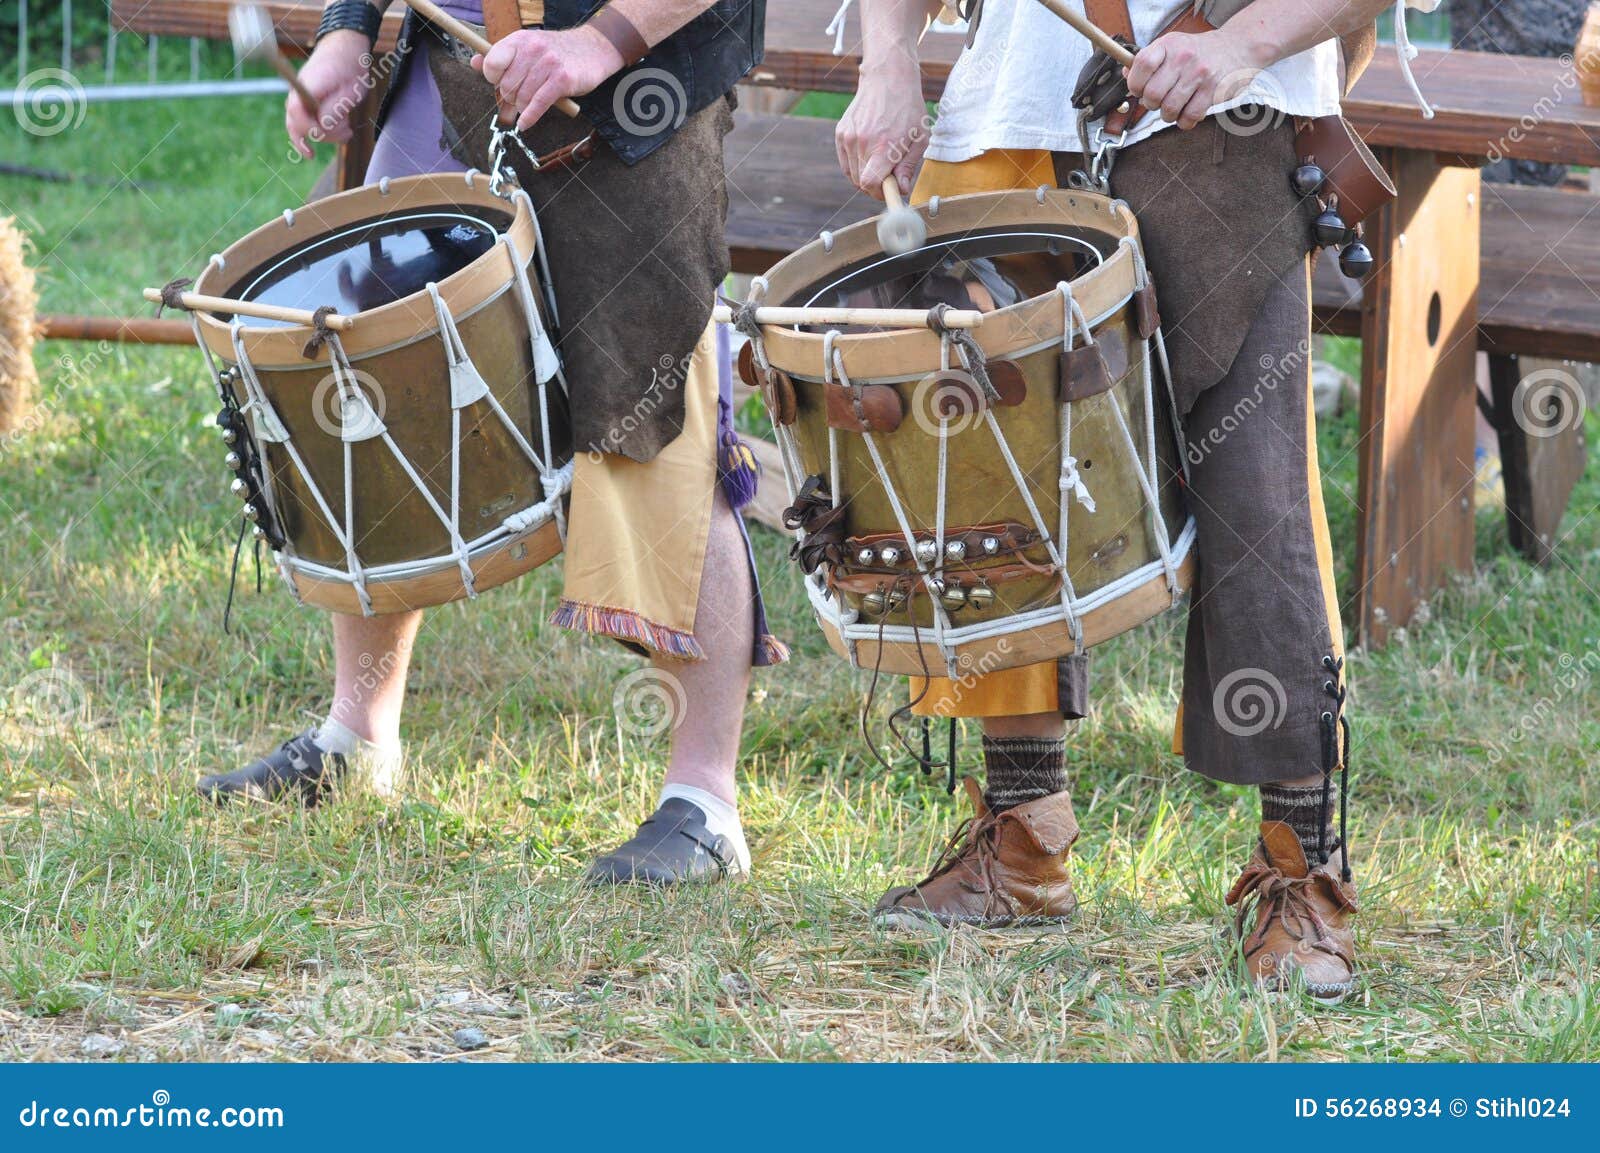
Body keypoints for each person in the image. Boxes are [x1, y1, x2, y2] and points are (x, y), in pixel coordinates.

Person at [834, 0, 1437, 1001]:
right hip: (1006, 113)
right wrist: (888, 58)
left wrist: (1239, 44)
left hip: (1220, 112)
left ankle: (1304, 880)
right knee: (991, 486)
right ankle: (1021, 843)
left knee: (1253, 497)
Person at [198, 0, 785, 889]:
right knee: (377, 376)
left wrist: (599, 41)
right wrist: (349, 29)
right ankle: (358, 738)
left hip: (632, 92)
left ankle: (703, 804)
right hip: (446, 75)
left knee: (658, 414)